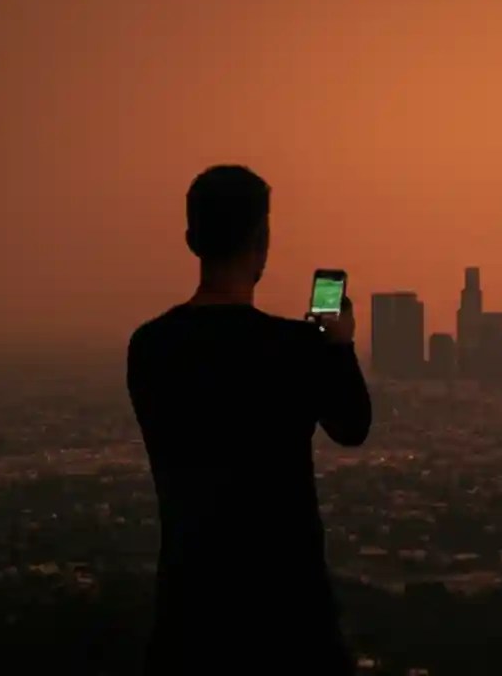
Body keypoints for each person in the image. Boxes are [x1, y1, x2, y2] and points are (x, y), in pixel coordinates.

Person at [126, 165, 371, 675]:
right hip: (289, 617)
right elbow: (353, 427)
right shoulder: (295, 348)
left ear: (192, 239)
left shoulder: (150, 347)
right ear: (263, 239)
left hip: (190, 615)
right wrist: (338, 346)